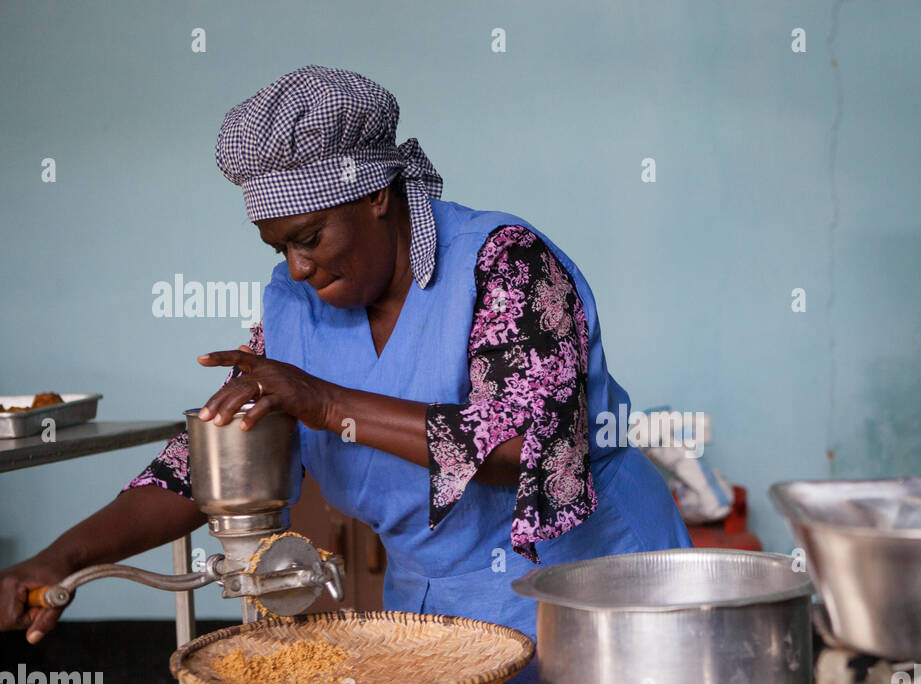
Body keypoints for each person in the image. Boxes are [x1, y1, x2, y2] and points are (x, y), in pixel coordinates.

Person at [1, 65, 692, 644]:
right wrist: (59, 560)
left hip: (587, 585)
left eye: (309, 237)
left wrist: (327, 404)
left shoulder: (504, 264)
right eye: (280, 249)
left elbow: (523, 443)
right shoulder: (296, 309)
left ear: (377, 197)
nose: (297, 268)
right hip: (431, 602)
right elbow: (201, 467)